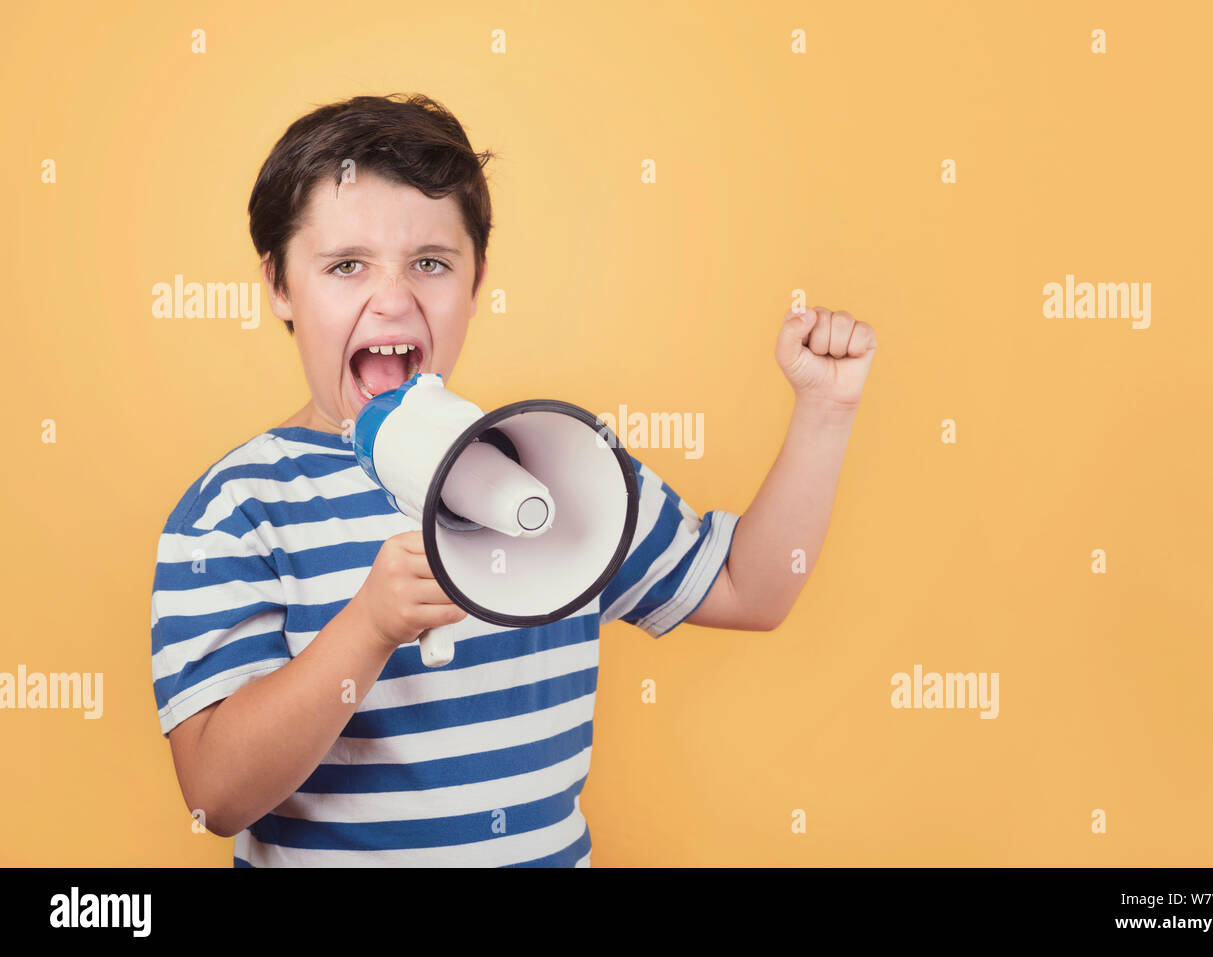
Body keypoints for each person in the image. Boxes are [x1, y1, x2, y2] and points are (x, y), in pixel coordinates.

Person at [149, 92, 876, 866]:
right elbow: (215, 794)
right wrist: (367, 629)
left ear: (477, 278)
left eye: (430, 263)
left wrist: (825, 411)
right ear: (279, 285)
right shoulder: (237, 509)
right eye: (345, 265)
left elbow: (749, 588)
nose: (392, 297)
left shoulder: (562, 462)